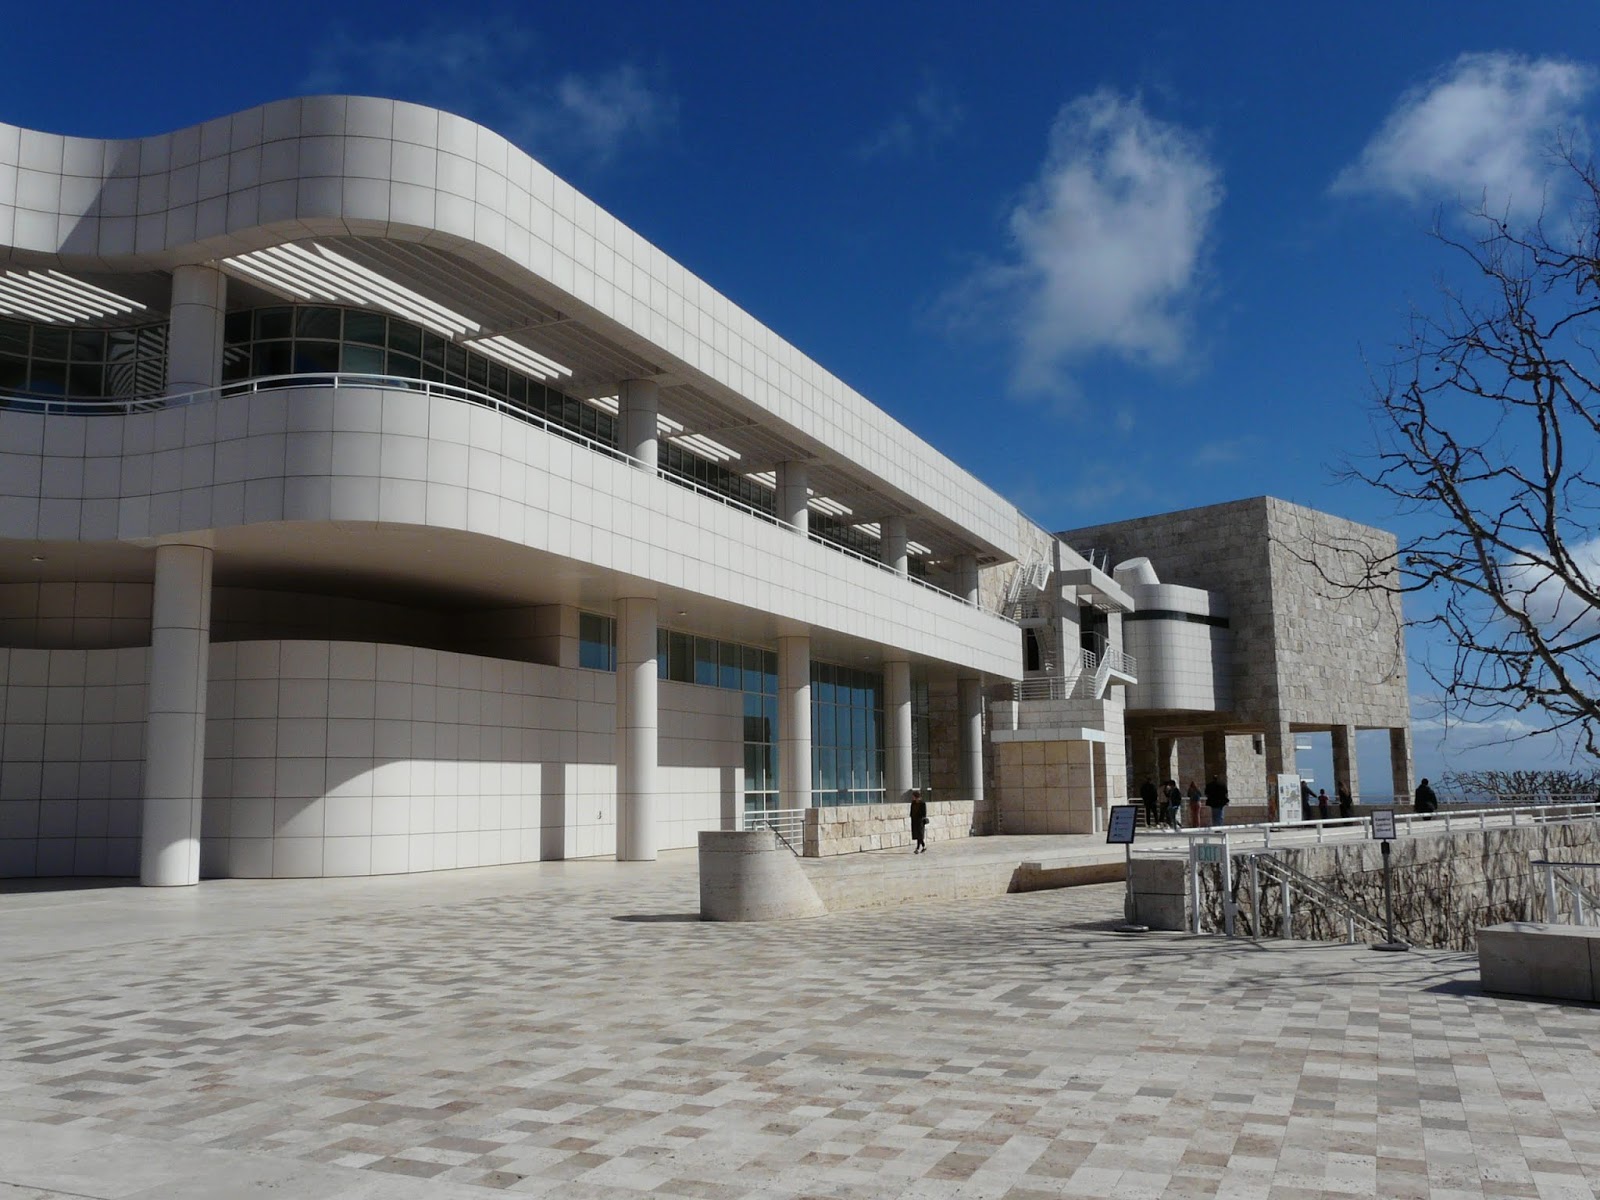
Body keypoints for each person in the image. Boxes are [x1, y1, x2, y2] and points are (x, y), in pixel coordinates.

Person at [909, 789, 928, 853]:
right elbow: (911, 811)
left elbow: (924, 813)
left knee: (920, 834)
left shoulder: (922, 803)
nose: (912, 797)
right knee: (917, 835)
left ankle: (918, 848)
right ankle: (923, 846)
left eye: (913, 796)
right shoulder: (913, 803)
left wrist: (920, 816)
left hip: (920, 821)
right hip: (914, 821)